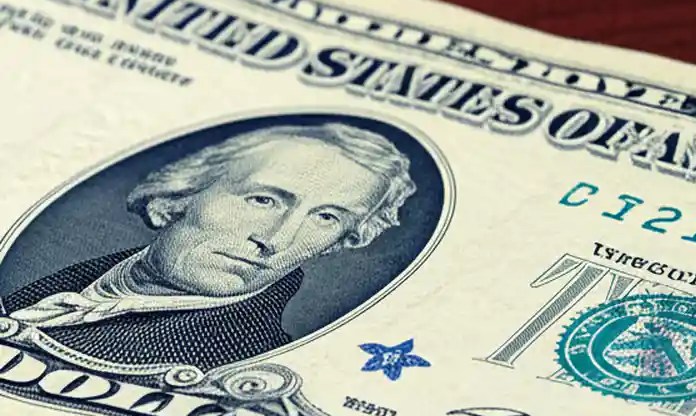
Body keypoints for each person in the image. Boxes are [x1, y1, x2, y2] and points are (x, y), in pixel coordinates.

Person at [3, 122, 417, 371]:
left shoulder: (239, 357)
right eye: (264, 200)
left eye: (326, 218)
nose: (274, 240)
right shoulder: (56, 279)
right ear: (179, 196)